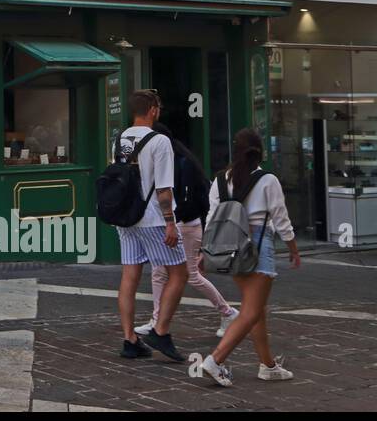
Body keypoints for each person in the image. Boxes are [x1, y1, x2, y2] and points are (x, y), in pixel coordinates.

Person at [201, 128, 300, 387]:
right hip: (258, 246)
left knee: (256, 310)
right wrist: (292, 248)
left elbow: (212, 218)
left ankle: (268, 365)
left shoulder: (220, 180)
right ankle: (216, 360)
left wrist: (204, 250)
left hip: (229, 247)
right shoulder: (268, 180)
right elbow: (281, 218)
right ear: (260, 153)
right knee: (251, 311)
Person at [136, 122, 238, 339]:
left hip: (184, 225)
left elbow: (187, 201)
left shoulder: (181, 165)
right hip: (177, 223)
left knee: (190, 275)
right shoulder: (174, 162)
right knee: (159, 271)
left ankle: (227, 312)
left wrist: (170, 220)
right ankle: (156, 321)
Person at [114, 90, 187, 361]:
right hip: (154, 218)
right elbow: (165, 190)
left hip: (127, 218)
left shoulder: (119, 139)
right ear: (153, 110)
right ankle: (161, 330)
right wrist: (170, 223)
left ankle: (129, 339)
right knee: (179, 274)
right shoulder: (160, 141)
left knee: (129, 277)